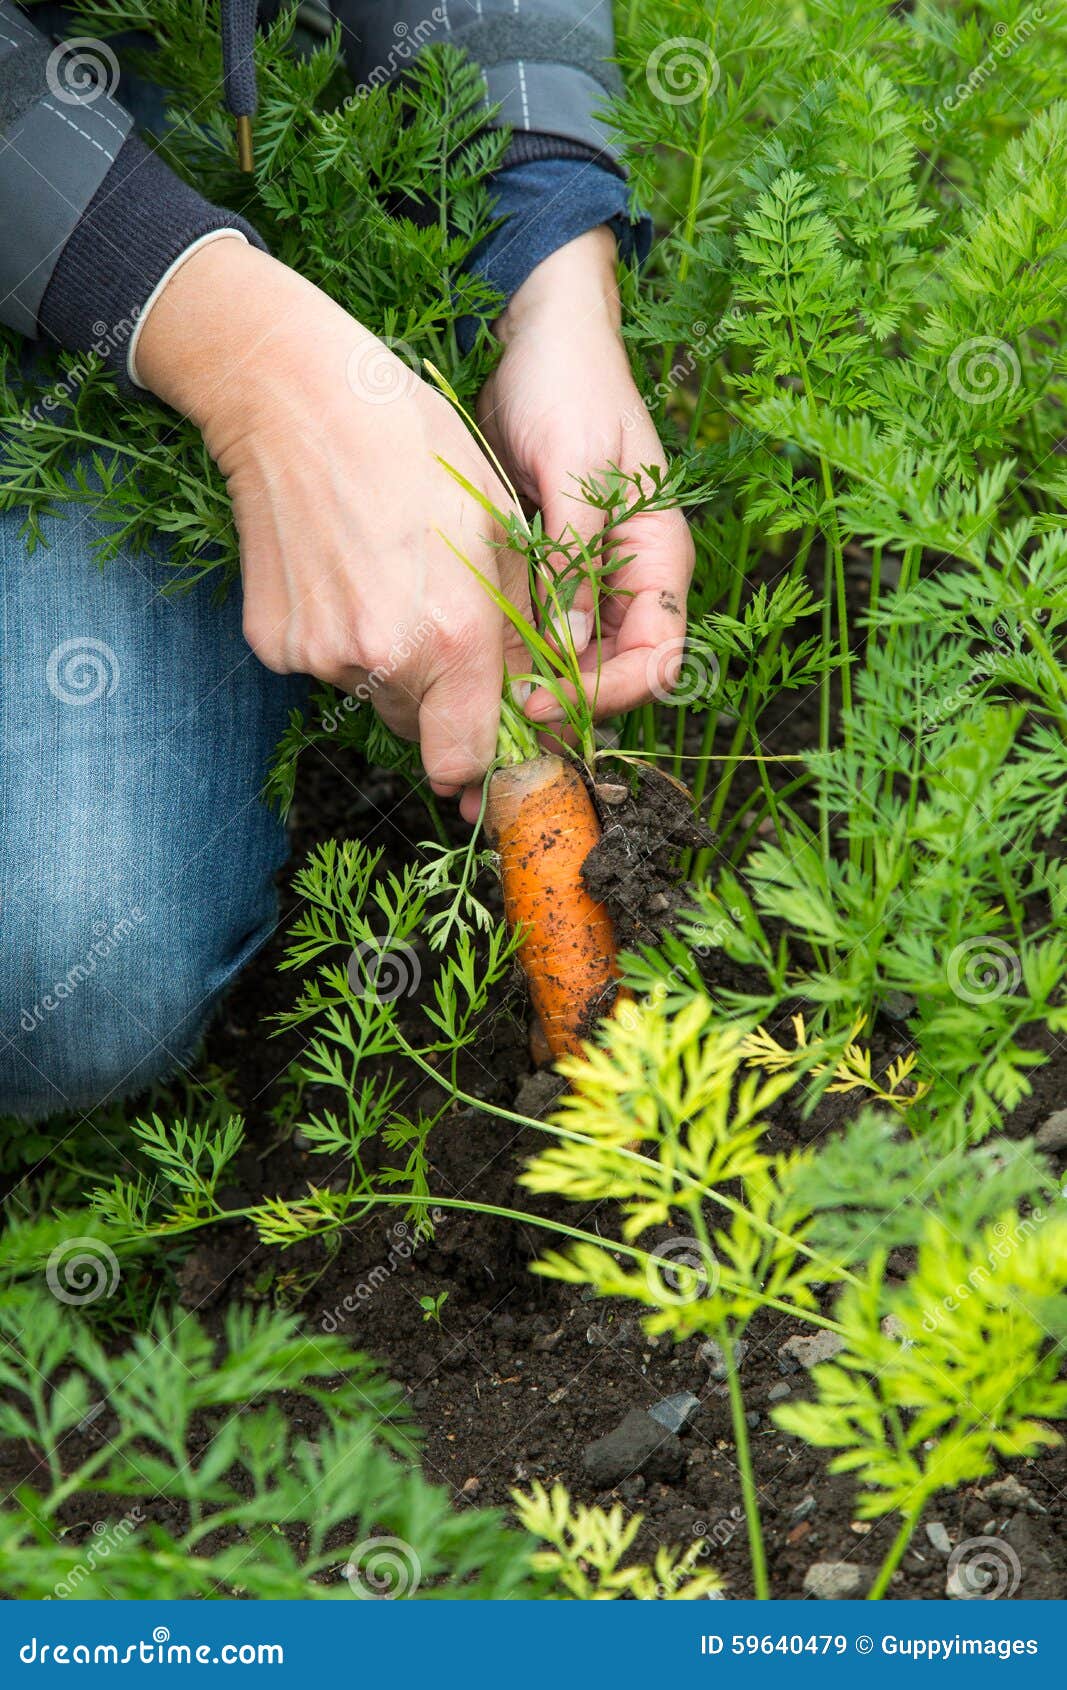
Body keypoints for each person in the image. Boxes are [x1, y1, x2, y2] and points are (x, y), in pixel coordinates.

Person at [0, 0, 692, 1121]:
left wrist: (552, 273)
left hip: (194, 71)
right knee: (57, 968)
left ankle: (583, 1030)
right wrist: (257, 370)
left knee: (83, 978)